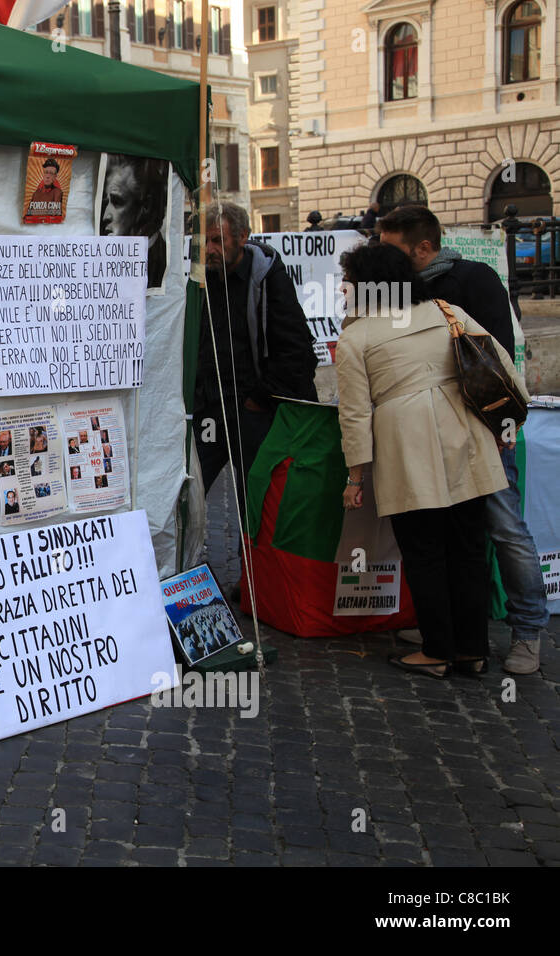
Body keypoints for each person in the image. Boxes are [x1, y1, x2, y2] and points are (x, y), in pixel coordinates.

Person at [335, 243, 527, 680]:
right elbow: (501, 365)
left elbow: (355, 413)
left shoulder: (356, 337)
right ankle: (471, 651)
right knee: (467, 548)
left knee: (424, 551)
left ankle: (437, 649)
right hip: (465, 436)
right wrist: (506, 428)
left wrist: (355, 475)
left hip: (406, 442)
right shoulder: (446, 311)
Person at [379, 204, 548, 675]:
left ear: (424, 247)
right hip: (434, 436)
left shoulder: (475, 280)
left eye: (394, 250)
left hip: (480, 433)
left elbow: (497, 361)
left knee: (504, 528)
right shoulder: (401, 291)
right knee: (448, 535)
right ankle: (447, 631)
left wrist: (501, 429)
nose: (386, 260)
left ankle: (528, 632)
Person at [196, 201, 318, 506]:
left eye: (217, 240)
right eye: (204, 241)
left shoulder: (267, 278)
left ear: (242, 237)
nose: (209, 249)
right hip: (211, 407)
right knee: (191, 488)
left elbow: (296, 349)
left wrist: (260, 399)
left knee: (255, 496)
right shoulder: (202, 279)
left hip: (252, 409)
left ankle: (248, 553)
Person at [98, 154, 170, 287]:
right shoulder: (105, 260)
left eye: (117, 202)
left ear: (146, 206)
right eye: (105, 203)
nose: (105, 216)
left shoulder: (165, 264)